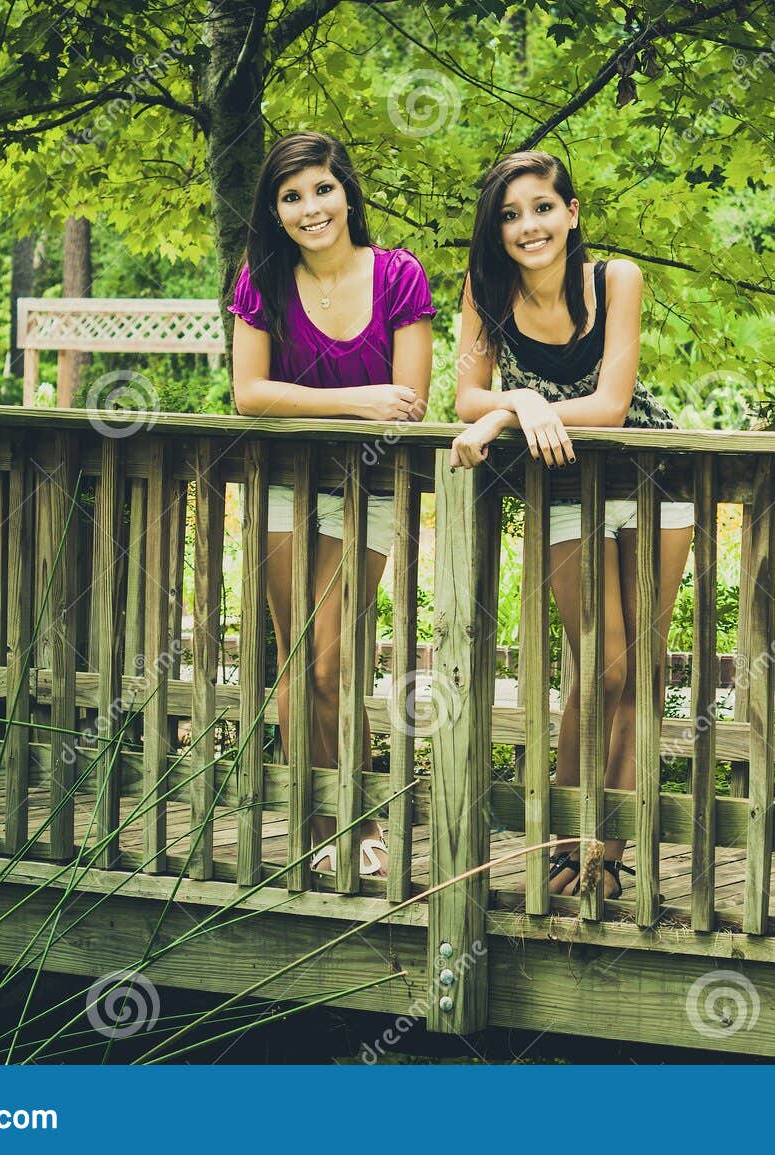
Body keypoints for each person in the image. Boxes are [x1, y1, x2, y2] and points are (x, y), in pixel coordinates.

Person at [449, 150, 693, 898]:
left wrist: (516, 407)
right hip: (561, 483)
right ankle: (562, 846)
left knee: (642, 671)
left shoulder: (615, 280)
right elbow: (464, 396)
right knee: (598, 665)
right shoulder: (485, 292)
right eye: (511, 214)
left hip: (654, 476)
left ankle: (608, 857)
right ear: (497, 230)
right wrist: (517, 405)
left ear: (572, 213)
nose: (530, 226)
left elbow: (612, 405)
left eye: (543, 208)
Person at [230, 130, 436, 878]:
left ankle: (359, 815)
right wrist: (354, 399)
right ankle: (318, 826)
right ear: (276, 210)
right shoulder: (262, 279)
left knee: (333, 663)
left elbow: (407, 404)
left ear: (346, 191)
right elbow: (248, 394)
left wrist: (359, 407)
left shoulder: (398, 275)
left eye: (322, 188)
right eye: (291, 196)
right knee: (295, 662)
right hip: (284, 485)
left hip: (370, 489)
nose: (310, 207)